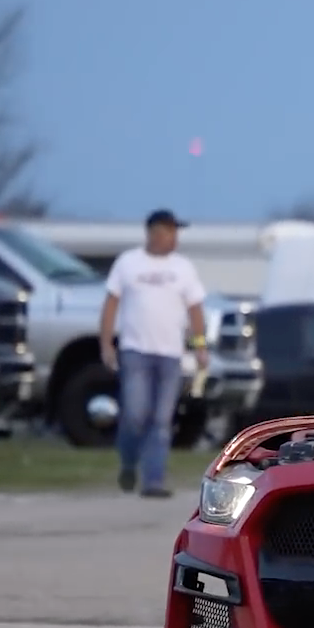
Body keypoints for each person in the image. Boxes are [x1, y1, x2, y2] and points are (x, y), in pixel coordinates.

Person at [99, 209, 209, 498]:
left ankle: (154, 480)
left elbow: (195, 309)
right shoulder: (128, 263)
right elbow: (111, 303)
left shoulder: (183, 268)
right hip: (135, 351)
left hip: (170, 354)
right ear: (155, 233)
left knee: (162, 420)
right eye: (170, 232)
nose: (174, 238)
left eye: (176, 233)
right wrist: (106, 344)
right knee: (136, 415)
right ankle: (128, 462)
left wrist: (199, 345)